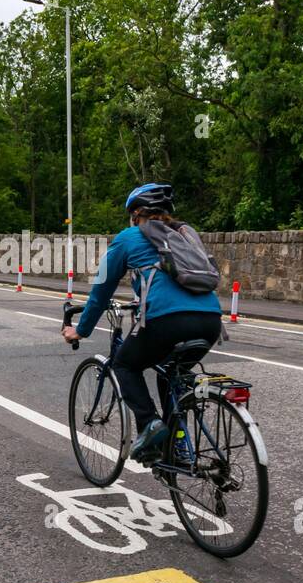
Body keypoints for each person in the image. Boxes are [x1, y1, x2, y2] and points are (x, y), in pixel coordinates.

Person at [62, 183, 223, 461]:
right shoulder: (183, 236)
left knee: (124, 364)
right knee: (171, 375)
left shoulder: (128, 237)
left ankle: (150, 424)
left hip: (167, 322)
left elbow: (101, 292)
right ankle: (178, 446)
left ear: (136, 214)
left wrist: (81, 330)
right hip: (210, 321)